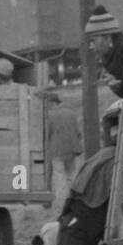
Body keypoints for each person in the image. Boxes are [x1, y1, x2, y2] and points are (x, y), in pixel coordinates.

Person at [45, 91, 82, 219]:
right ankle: (74, 200)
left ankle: (62, 205)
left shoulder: (49, 115)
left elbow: (47, 133)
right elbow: (78, 132)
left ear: (51, 102)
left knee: (59, 177)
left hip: (57, 150)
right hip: (72, 148)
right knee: (71, 176)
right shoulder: (71, 113)